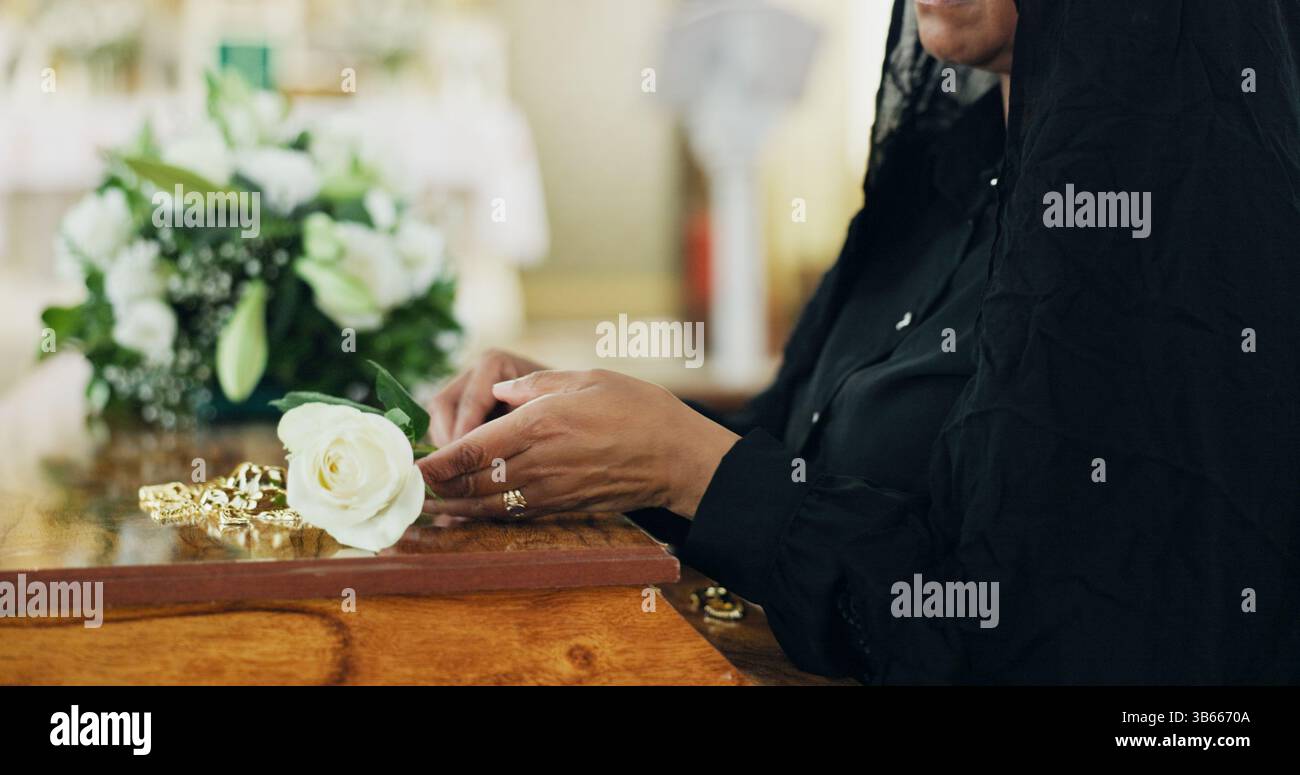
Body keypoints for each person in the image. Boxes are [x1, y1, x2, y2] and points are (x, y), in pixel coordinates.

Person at [419, 0, 1300, 684]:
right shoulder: (948, 169)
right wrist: (570, 415)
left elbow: (1029, 635)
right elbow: (794, 446)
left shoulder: (1165, 237)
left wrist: (684, 464)